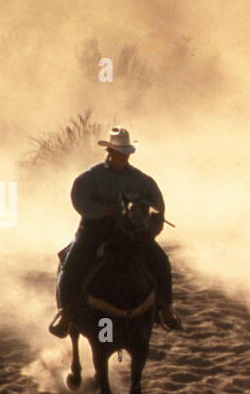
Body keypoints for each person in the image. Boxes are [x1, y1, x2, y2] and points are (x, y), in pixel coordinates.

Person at [49, 126, 182, 337]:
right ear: (110, 152)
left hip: (131, 232)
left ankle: (165, 308)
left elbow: (158, 204)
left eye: (126, 154)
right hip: (95, 229)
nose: (123, 157)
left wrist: (149, 227)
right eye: (119, 153)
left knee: (160, 260)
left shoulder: (141, 180)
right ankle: (66, 312)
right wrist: (103, 211)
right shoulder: (91, 177)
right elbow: (79, 199)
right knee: (73, 261)